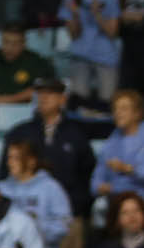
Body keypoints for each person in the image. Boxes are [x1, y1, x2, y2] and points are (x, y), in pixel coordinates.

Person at [6, 79, 98, 233]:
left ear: (63, 99)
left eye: (50, 93)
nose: (44, 97)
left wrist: (76, 206)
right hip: (24, 216)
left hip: (70, 216)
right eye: (40, 93)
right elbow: (6, 172)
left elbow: (87, 175)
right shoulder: (20, 133)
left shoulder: (77, 134)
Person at [0, 139, 74, 248]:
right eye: (9, 158)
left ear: (31, 161)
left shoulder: (50, 187)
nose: (10, 163)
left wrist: (33, 228)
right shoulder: (1, 189)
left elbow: (63, 225)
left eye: (16, 158)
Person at [93, 90, 144, 215]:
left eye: (123, 109)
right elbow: (96, 181)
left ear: (137, 113)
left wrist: (128, 169)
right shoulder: (110, 143)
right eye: (115, 109)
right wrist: (101, 187)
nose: (118, 113)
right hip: (119, 210)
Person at [61, 0, 122, 109]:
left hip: (105, 56)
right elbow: (74, 35)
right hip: (80, 55)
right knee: (79, 102)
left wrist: (97, 14)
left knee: (107, 103)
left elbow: (112, 33)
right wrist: (75, 15)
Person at [0, 24, 57, 105]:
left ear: (23, 43)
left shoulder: (36, 61)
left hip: (25, 109)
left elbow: (42, 89)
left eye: (15, 43)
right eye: (6, 42)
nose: (9, 48)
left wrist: (6, 100)